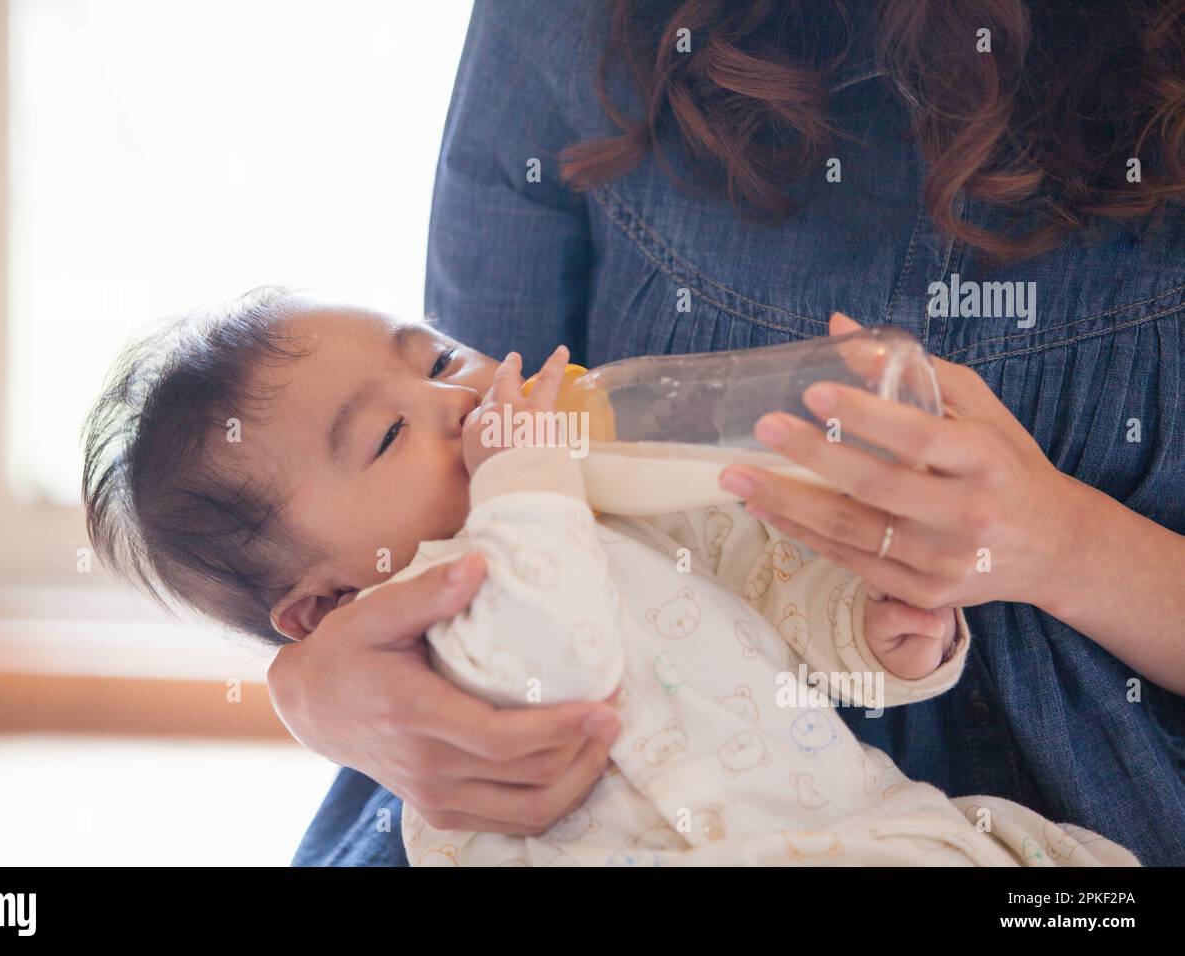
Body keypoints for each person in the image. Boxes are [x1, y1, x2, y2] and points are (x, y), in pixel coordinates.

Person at [276, 0, 1185, 866]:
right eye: (394, 432)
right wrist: (314, 686)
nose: (467, 403)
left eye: (442, 367)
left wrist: (891, 623)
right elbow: (572, 631)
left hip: (951, 805)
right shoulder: (521, 543)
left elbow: (756, 581)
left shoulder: (593, 500)